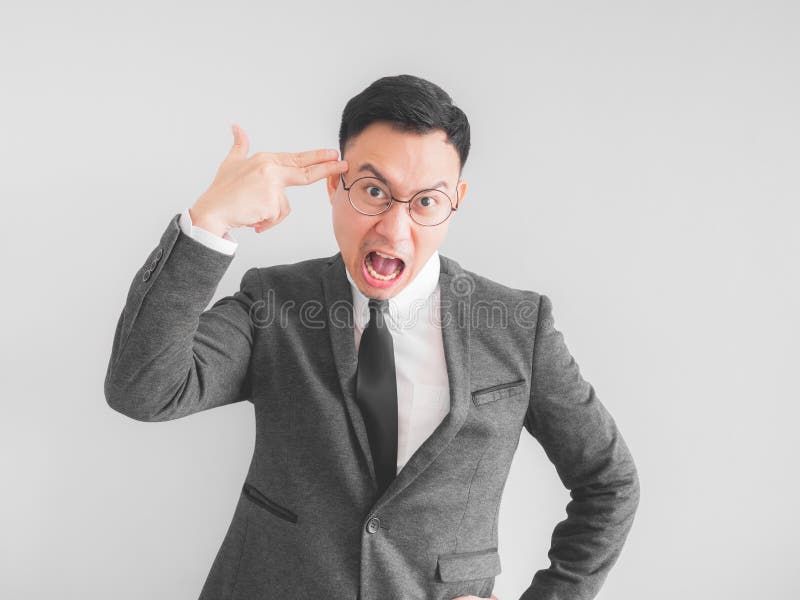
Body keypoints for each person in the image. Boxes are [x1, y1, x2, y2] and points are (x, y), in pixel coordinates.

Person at [104, 74, 640, 600]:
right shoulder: (274, 302)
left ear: (456, 200)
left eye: (426, 201)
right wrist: (210, 220)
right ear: (336, 186)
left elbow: (608, 482)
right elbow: (144, 388)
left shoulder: (520, 326)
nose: (393, 228)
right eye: (374, 191)